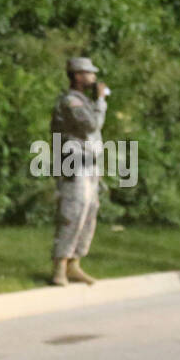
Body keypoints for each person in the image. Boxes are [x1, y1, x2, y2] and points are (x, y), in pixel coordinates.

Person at [49, 56, 109, 286]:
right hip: (73, 162)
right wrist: (101, 101)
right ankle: (59, 267)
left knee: (89, 211)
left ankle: (75, 263)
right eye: (89, 73)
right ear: (77, 76)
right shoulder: (70, 102)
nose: (94, 77)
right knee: (72, 212)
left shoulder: (83, 101)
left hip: (89, 162)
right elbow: (91, 125)